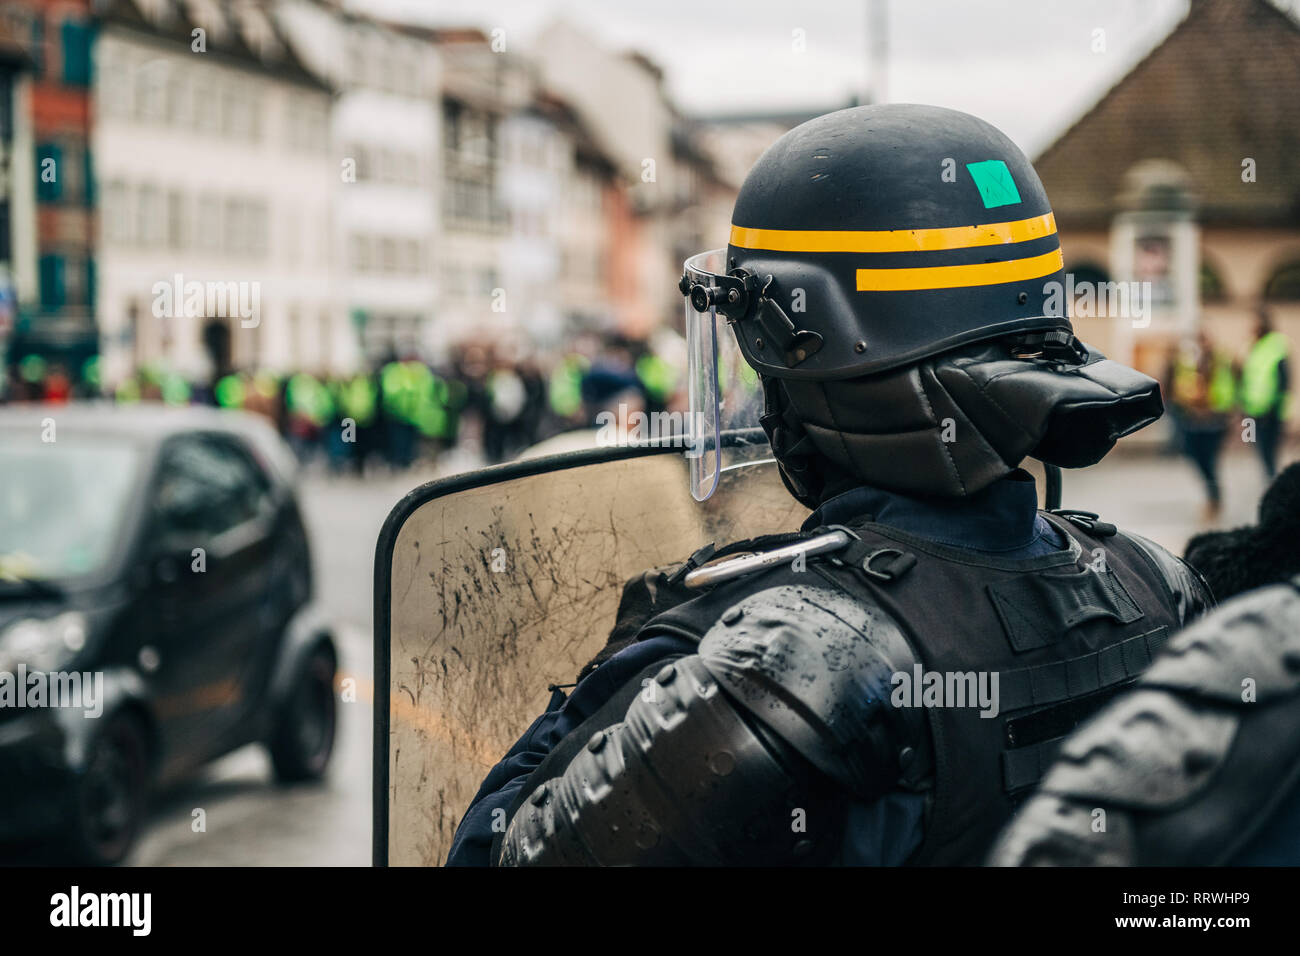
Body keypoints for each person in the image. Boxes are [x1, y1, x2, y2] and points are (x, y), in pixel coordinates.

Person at [446, 104, 1212, 867]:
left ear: (812, 365)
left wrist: (639, 662)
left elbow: (494, 854)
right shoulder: (1160, 584)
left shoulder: (788, 657)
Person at [1168, 332, 1235, 517]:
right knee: (1193, 454)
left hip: (1215, 418)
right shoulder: (1189, 361)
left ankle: (1214, 498)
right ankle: (1212, 495)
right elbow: (1181, 385)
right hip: (1193, 417)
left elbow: (1230, 386)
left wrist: (1223, 408)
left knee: (1209, 460)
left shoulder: (1222, 360)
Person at [1240, 306, 1289, 478]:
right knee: (1260, 448)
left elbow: (1284, 380)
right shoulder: (1253, 345)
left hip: (1271, 410)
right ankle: (1270, 479)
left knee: (1269, 450)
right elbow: (1248, 377)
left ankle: (1273, 481)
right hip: (1253, 409)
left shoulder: (1276, 344)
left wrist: (1276, 405)